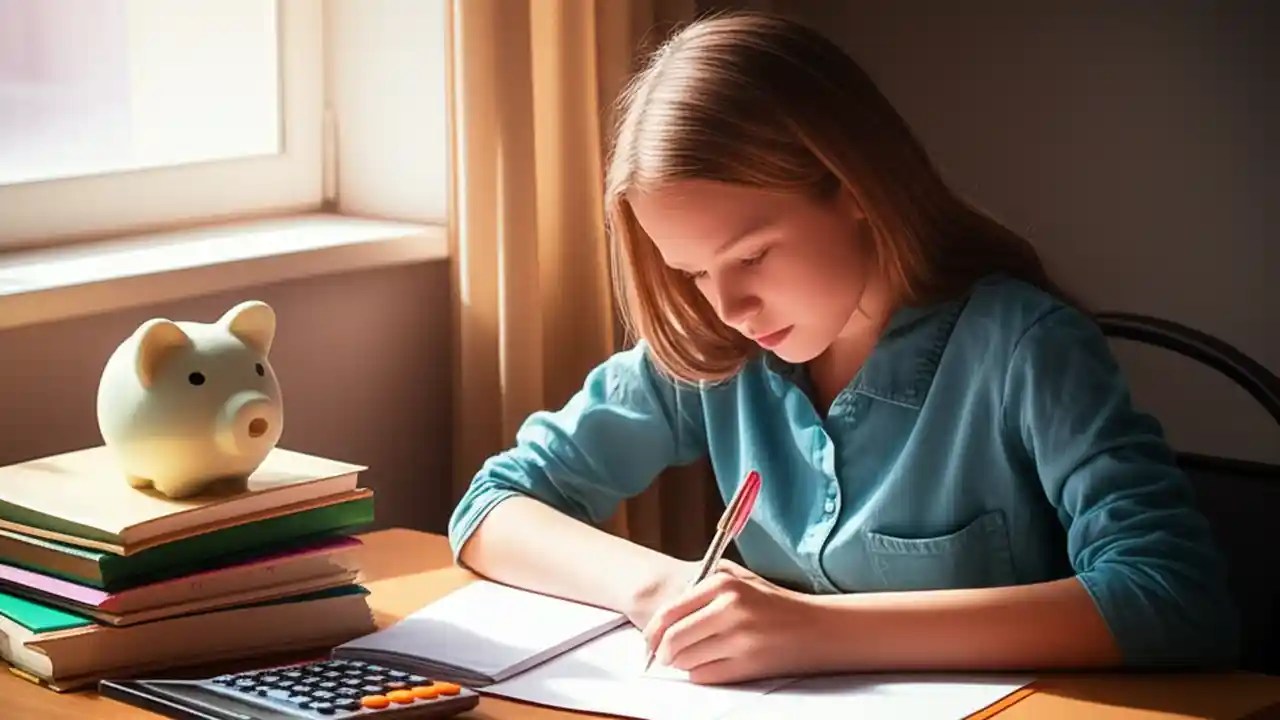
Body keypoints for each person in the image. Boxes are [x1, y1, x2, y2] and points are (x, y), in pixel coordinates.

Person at [446, 11, 1238, 684]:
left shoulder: (1023, 350)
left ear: (853, 188)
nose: (728, 306)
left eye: (752, 255)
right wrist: (661, 588)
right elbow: (491, 509)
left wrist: (816, 631)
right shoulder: (716, 352)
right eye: (692, 272)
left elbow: (1173, 598)